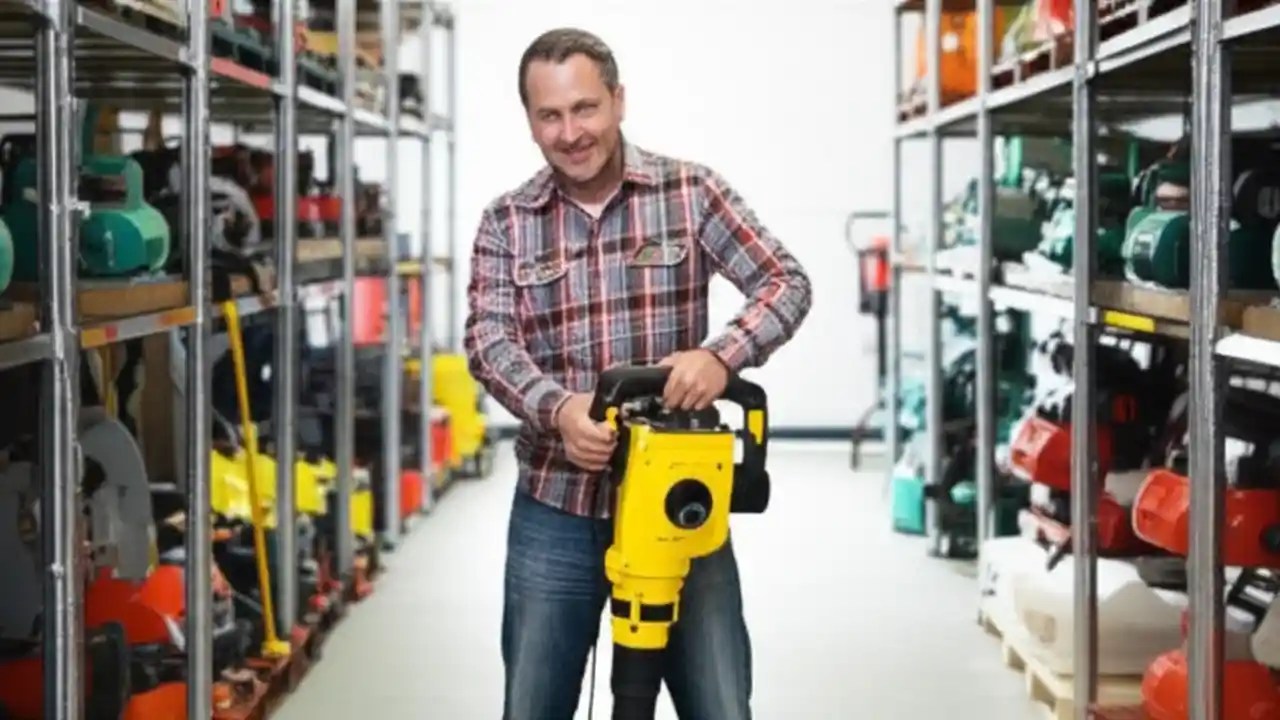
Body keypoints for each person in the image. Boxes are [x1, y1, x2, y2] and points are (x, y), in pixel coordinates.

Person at [463, 26, 813, 720]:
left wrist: (722, 355)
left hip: (677, 508)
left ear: (618, 100)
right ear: (530, 120)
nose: (570, 132)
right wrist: (557, 408)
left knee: (721, 705)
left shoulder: (691, 192)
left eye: (585, 107)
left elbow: (786, 282)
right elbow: (489, 340)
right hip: (555, 506)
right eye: (550, 115)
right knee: (532, 707)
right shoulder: (507, 221)